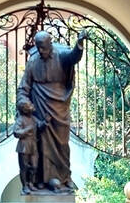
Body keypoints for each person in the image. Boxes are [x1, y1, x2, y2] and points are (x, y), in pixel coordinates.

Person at [16, 29, 88, 191]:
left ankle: (64, 177)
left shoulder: (61, 55)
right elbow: (24, 87)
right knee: (41, 144)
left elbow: (73, 57)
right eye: (39, 47)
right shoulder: (33, 61)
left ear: (50, 44)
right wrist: (23, 102)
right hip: (39, 105)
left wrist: (80, 43)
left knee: (62, 143)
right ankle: (45, 179)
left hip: (60, 106)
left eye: (44, 47)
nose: (41, 51)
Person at [12, 97, 42, 194]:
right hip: (24, 146)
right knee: (24, 167)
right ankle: (25, 186)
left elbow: (40, 125)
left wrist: (46, 121)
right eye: (29, 105)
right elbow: (16, 132)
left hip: (33, 145)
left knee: (34, 166)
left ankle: (31, 184)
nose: (31, 106)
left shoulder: (33, 118)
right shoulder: (21, 119)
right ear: (25, 109)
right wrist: (27, 130)